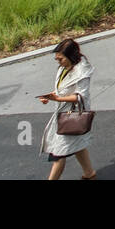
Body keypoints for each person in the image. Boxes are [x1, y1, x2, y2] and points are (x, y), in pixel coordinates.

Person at [37, 39, 97, 180]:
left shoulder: (81, 71)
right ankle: (89, 173)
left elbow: (80, 96)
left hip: (71, 115)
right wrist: (52, 95)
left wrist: (57, 99)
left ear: (70, 56)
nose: (58, 62)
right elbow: (63, 88)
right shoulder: (65, 67)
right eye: (57, 59)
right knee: (77, 144)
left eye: (61, 59)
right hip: (66, 115)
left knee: (59, 152)